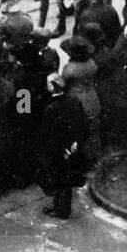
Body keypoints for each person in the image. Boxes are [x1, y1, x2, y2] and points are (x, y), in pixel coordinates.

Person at [37, 73, 89, 219]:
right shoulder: (74, 101)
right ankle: (58, 204)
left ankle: (62, 210)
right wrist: (76, 144)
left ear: (53, 86)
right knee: (66, 179)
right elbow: (83, 124)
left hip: (58, 151)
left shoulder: (51, 108)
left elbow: (47, 134)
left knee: (61, 181)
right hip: (72, 147)